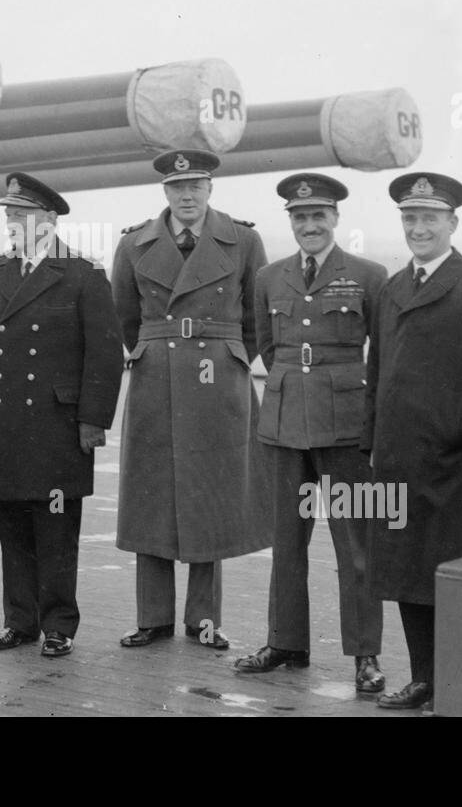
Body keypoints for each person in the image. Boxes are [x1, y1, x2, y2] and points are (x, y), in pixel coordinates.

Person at [362, 172, 462, 709]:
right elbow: (379, 369)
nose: (418, 228)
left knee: (461, 579)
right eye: (410, 219)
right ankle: (425, 680)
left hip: (461, 467)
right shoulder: (392, 289)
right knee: (409, 574)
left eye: (429, 218)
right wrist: (374, 442)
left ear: (452, 223)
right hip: (401, 463)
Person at [0, 173, 124, 658]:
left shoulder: (82, 274)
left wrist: (94, 420)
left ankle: (58, 624)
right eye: (10, 214)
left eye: (23, 214)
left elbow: (105, 354)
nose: (14, 222)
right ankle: (19, 621)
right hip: (5, 421)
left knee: (55, 526)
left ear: (49, 219)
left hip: (56, 423)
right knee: (11, 524)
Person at [111, 149, 270, 650]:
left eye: (196, 186)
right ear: (165, 192)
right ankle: (152, 618)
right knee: (150, 494)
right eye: (178, 188)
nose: (187, 195)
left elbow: (258, 317)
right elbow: (124, 316)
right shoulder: (134, 243)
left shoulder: (243, 239)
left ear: (209, 189)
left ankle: (205, 620)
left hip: (217, 377)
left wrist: (232, 355)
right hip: (156, 374)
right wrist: (152, 349)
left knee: (211, 494)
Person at [235, 174, 387, 694]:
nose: (310, 226)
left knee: (356, 545)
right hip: (283, 424)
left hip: (345, 428)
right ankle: (286, 643)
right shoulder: (269, 277)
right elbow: (264, 342)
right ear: (291, 223)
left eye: (319, 216)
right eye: (300, 218)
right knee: (285, 542)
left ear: (335, 219)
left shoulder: (369, 275)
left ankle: (365, 655)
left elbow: (383, 352)